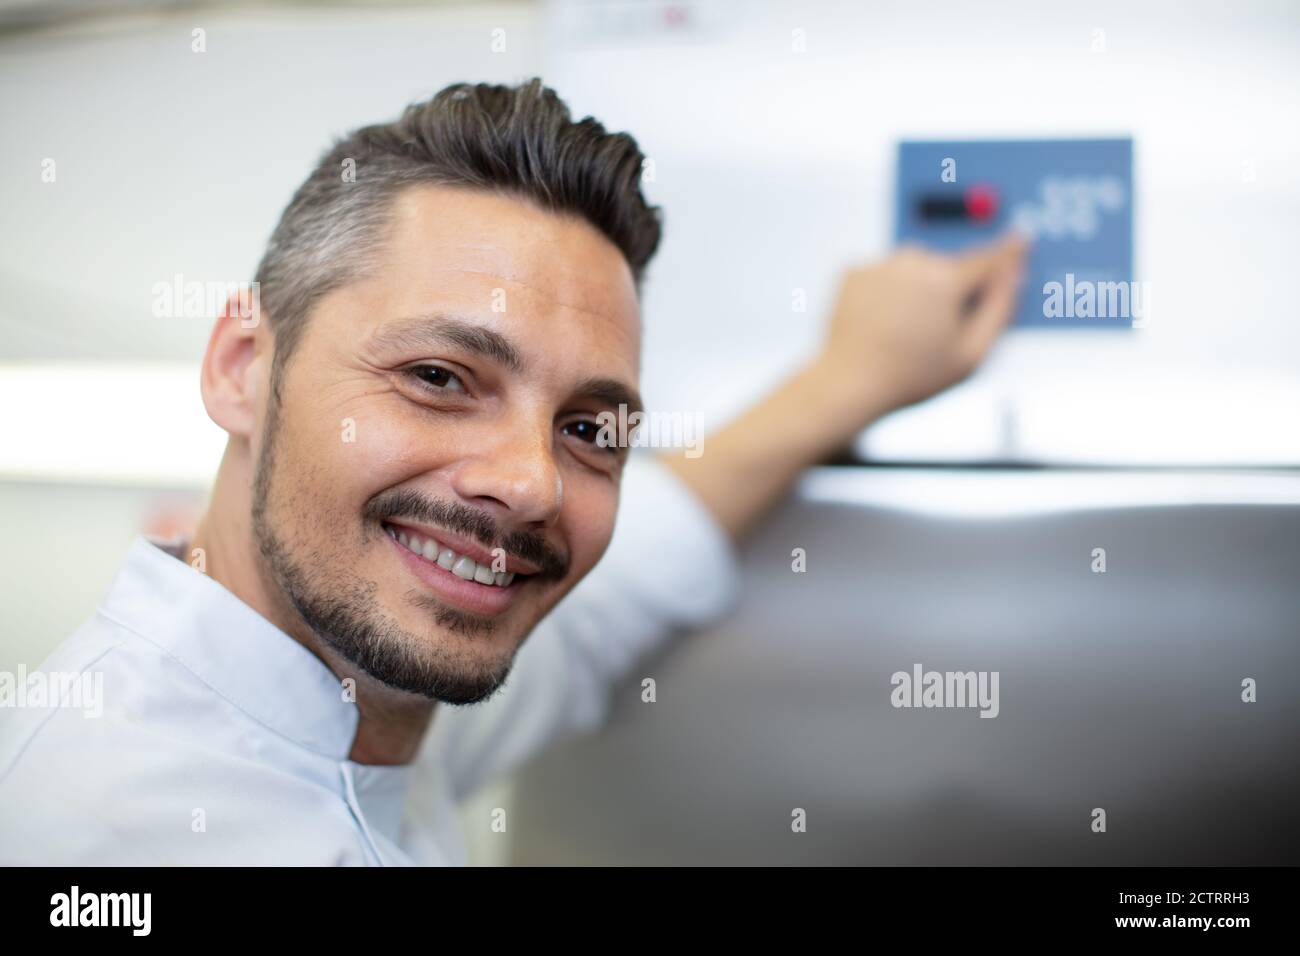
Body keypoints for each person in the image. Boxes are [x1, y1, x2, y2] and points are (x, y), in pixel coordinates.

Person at [0, 78, 1026, 865]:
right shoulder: (86, 830)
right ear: (240, 370)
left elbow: (611, 603)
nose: (532, 483)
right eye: (441, 376)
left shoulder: (379, 691)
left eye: (589, 429)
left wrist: (846, 379)